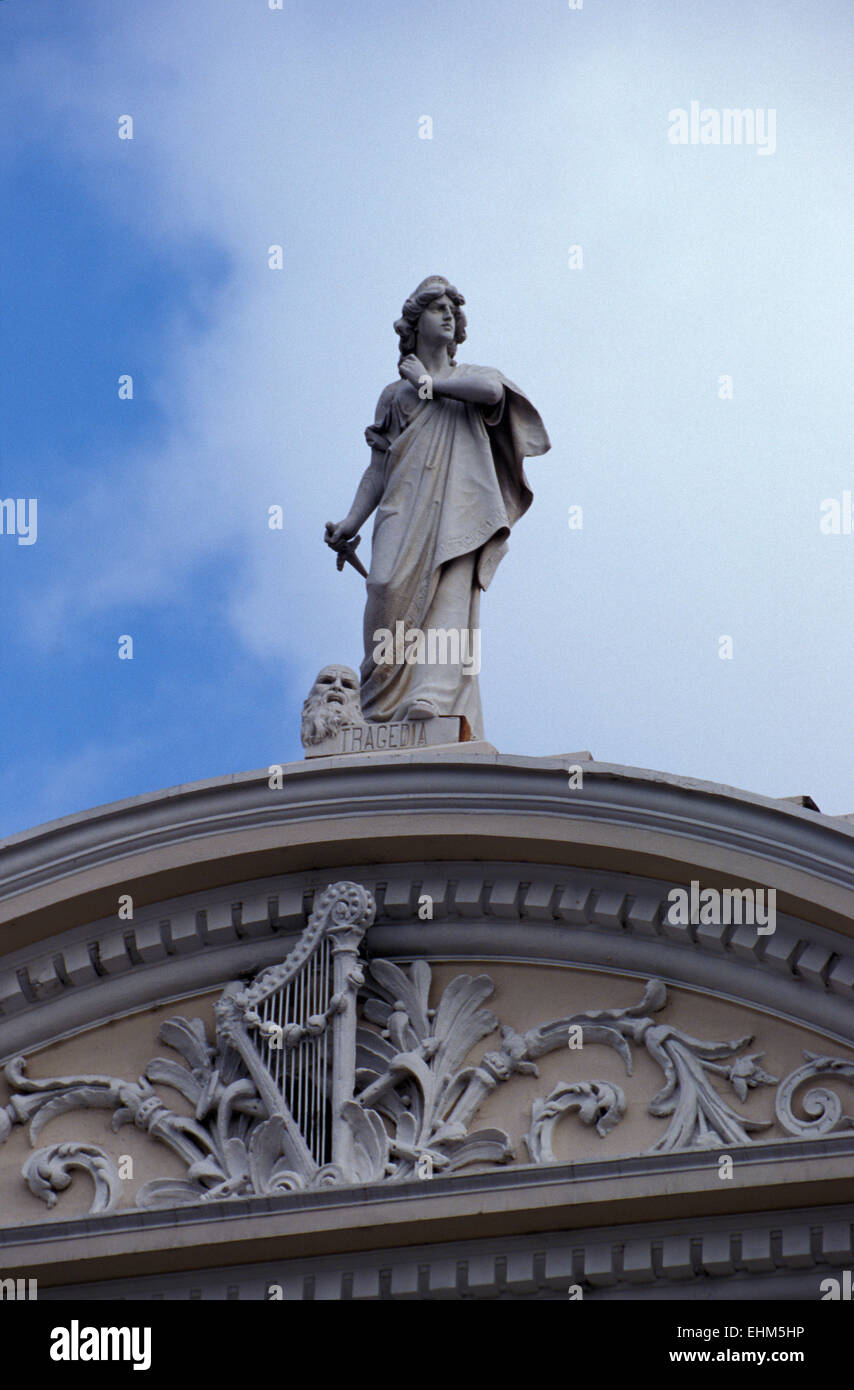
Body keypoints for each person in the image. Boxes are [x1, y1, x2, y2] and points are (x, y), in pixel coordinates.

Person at [325, 276, 550, 740]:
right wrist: (350, 521)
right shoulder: (394, 395)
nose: (448, 315)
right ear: (415, 323)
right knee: (384, 587)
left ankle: (430, 695)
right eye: (436, 308)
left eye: (453, 308)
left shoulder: (470, 379)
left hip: (459, 508)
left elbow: (492, 394)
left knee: (448, 592)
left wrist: (429, 384)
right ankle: (380, 707)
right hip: (402, 510)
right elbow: (378, 469)